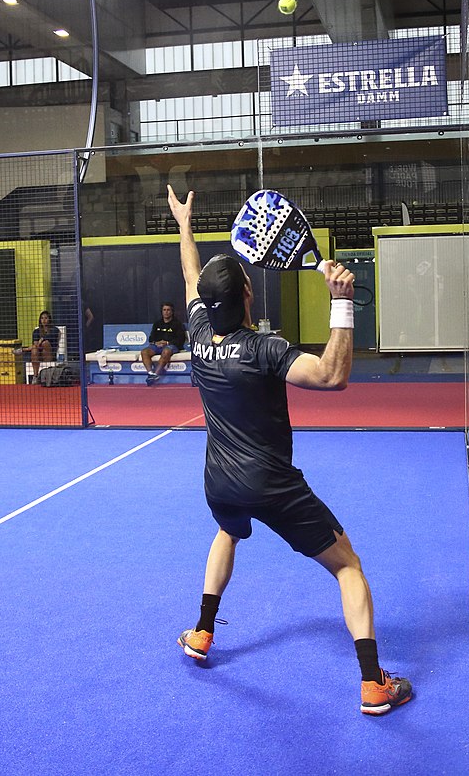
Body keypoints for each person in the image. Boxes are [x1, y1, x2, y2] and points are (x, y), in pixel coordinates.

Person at [166, 184, 412, 716]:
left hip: (219, 481)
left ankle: (203, 632)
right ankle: (374, 683)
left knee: (228, 530)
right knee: (348, 566)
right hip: (272, 485)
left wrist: (184, 225)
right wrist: (342, 305)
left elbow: (190, 276)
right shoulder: (265, 350)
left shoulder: (198, 329)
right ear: (249, 295)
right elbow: (332, 375)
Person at [139, 301, 187, 385]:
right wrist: (157, 342)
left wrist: (167, 343)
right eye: (164, 310)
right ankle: (151, 373)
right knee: (144, 352)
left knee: (166, 351)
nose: (166, 312)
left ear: (172, 312)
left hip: (171, 346)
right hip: (157, 346)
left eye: (168, 310)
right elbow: (151, 338)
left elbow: (180, 340)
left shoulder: (178, 324)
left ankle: (156, 374)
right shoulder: (157, 323)